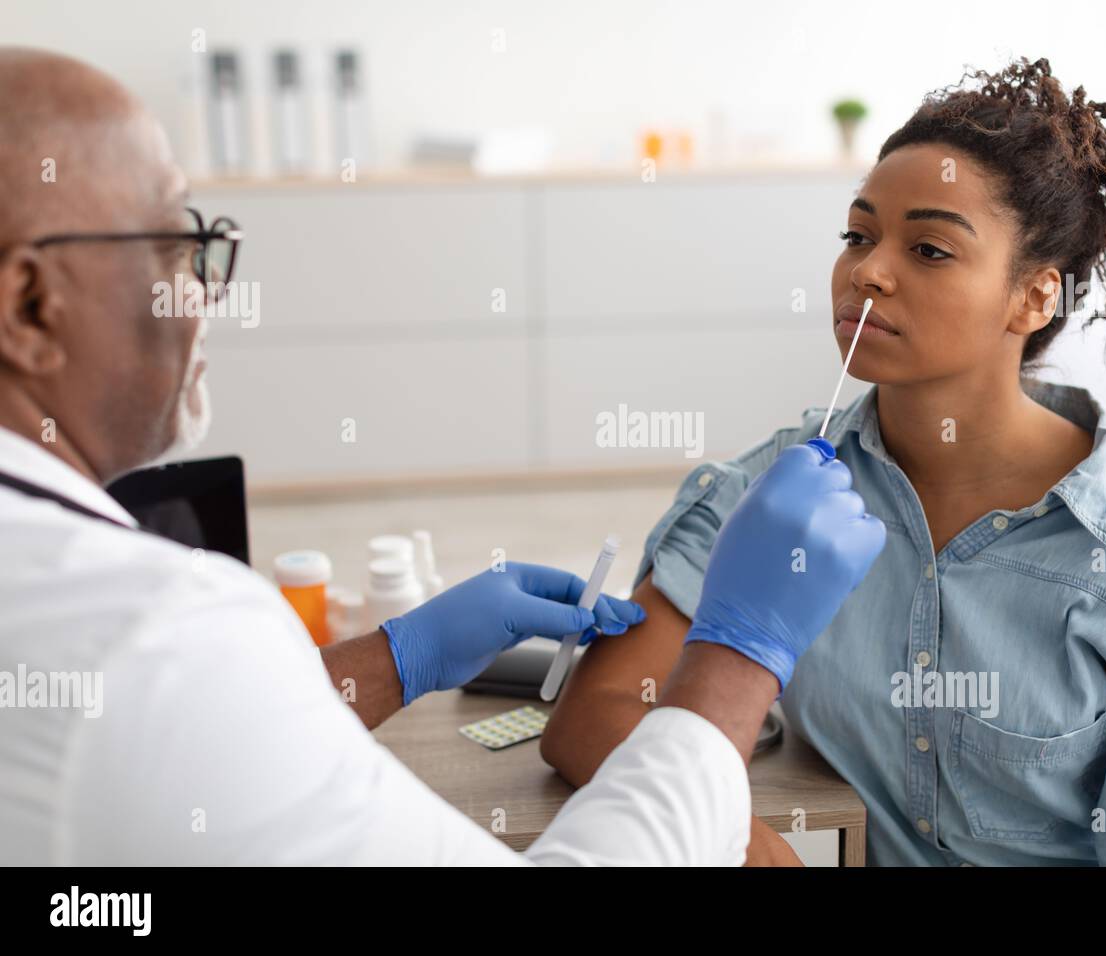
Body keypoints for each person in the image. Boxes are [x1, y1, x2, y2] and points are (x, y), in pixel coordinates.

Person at [0, 48, 887, 865]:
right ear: (32, 307)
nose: (205, 286)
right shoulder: (150, 637)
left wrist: (401, 654)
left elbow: (201, 740)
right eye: (174, 243)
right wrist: (738, 656)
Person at [541, 57, 1106, 866]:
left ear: (1035, 296)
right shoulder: (771, 496)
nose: (868, 271)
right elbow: (594, 713)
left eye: (929, 250)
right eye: (857, 236)